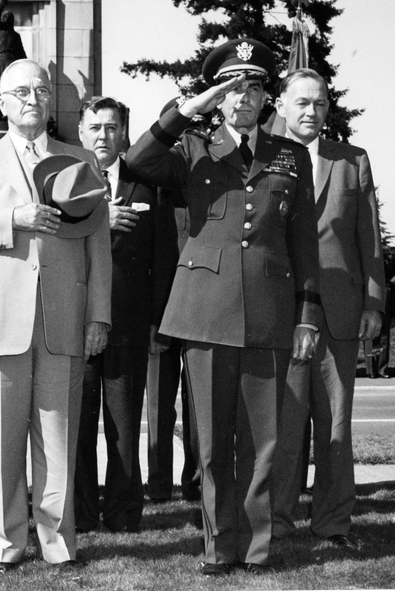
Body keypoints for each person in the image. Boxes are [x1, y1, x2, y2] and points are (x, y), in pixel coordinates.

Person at [125, 39, 322, 576]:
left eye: (254, 87)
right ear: (220, 97)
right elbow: (138, 160)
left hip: (270, 307)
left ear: (266, 99)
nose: (243, 98)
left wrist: (307, 313)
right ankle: (219, 548)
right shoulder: (193, 147)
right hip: (206, 309)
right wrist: (190, 106)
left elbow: (304, 239)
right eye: (233, 88)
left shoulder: (291, 156)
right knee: (210, 444)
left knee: (263, 442)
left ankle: (256, 550)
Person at [0, 59, 111, 575]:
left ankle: (59, 547)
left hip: (65, 317)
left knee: (59, 442)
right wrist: (13, 219)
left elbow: (98, 244)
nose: (32, 98)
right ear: (3, 102)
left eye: (40, 89)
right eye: (21, 91)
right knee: (5, 445)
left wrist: (99, 314)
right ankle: (5, 547)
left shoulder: (81, 160)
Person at [272, 68, 385, 547]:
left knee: (335, 429)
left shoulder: (351, 160)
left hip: (340, 313)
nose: (311, 111)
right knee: (281, 427)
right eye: (300, 102)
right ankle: (274, 525)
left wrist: (374, 303)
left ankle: (333, 525)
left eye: (319, 103)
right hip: (283, 312)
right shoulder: (265, 158)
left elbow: (369, 238)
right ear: (281, 105)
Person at [74, 96, 176, 533]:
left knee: (123, 426)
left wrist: (158, 320)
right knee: (76, 428)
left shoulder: (146, 181)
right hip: (74, 324)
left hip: (130, 325)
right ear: (81, 132)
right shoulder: (64, 179)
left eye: (112, 127)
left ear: (124, 133)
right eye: (95, 127)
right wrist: (100, 218)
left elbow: (162, 254)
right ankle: (77, 513)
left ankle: (122, 514)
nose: (103, 135)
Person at [145, 97, 206, 504]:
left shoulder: (211, 183)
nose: (189, 140)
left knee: (200, 402)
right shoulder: (151, 182)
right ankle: (159, 484)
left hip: (201, 307)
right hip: (160, 311)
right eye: (182, 130)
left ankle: (197, 482)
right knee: (158, 405)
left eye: (196, 130)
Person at [0, 0, 27, 97]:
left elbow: (22, 53)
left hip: (13, 63)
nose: (8, 19)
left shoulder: (16, 35)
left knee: (13, 89)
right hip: (0, 63)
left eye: (10, 17)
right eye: (5, 17)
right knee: (0, 89)